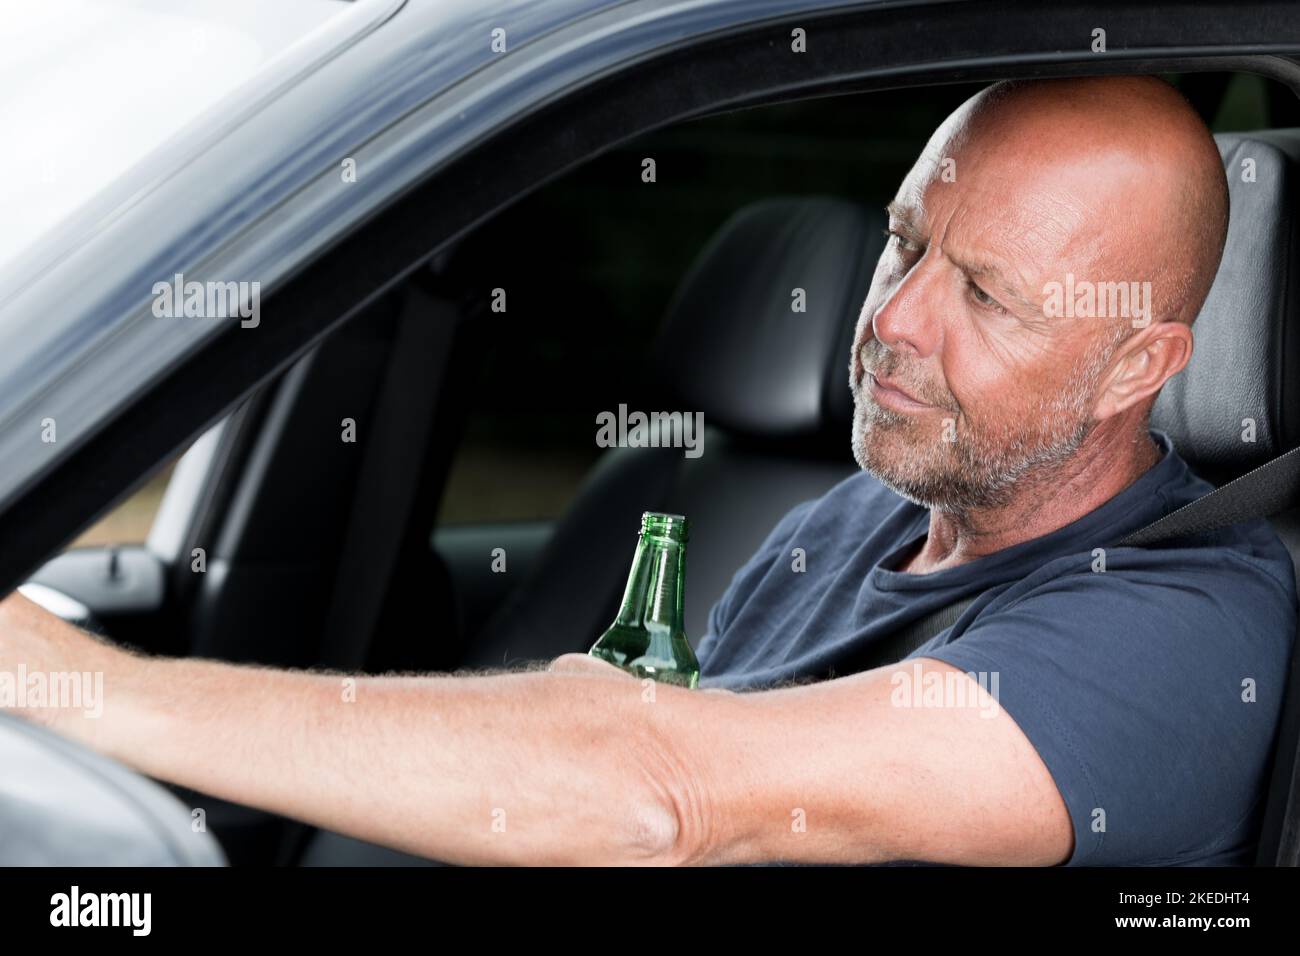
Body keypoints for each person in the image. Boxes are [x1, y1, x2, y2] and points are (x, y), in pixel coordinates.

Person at [1, 75, 1293, 867]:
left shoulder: (1182, 634)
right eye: (906, 246)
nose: (891, 321)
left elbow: (661, 797)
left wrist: (79, 689)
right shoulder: (859, 518)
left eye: (991, 298)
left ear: (1138, 367)